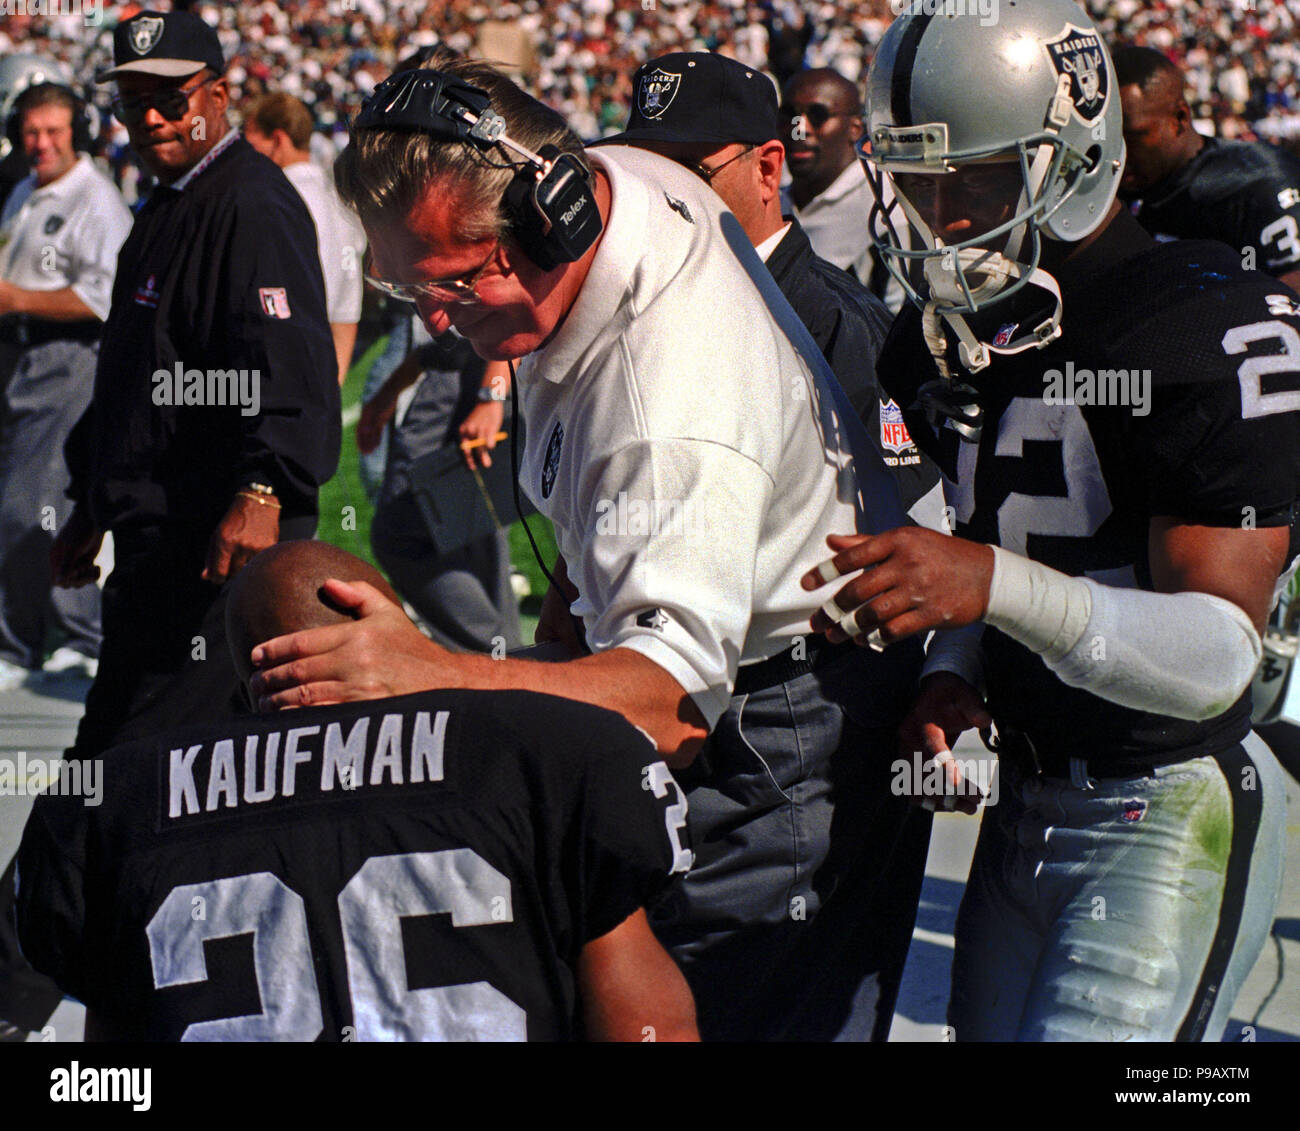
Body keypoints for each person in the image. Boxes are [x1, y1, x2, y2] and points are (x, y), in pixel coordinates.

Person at [255, 54, 927, 1041]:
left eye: (455, 283)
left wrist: (429, 675)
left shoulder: (670, 407)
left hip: (770, 730)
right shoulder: (603, 178)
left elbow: (663, 702)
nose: (438, 320)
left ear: (554, 216)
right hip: (756, 664)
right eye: (412, 292)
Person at [810, 0, 1296, 1041]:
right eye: (915, 181)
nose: (939, 216)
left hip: (1165, 803)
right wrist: (956, 668)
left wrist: (988, 589)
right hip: (1021, 805)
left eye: (972, 179)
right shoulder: (947, 335)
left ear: (1072, 155)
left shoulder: (1203, 317)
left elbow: (1220, 655)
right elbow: (1007, 548)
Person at [14, 541, 698, 1042]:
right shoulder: (549, 753)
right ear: (392, 624)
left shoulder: (116, 803)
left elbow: (112, 1055)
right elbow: (645, 1018)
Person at [50, 9, 340, 761]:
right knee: (157, 778)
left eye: (171, 99)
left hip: (213, 547)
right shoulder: (170, 200)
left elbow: (286, 364)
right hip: (158, 542)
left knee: (128, 779)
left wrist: (264, 490)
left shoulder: (250, 202)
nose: (150, 117)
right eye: (133, 100)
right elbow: (134, 374)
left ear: (219, 94)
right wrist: (93, 498)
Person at [597, 51, 940, 526]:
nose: (660, 191)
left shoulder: (842, 326)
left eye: (690, 171)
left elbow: (904, 529)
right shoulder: (650, 299)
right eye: (644, 171)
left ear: (765, 170)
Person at [0, 83, 131, 690]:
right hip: (22, 355)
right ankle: (34, 636)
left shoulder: (95, 200)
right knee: (23, 500)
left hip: (70, 357)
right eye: (31, 131)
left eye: (53, 131)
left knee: (37, 504)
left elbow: (103, 299)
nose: (41, 143)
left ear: (74, 131)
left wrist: (15, 299)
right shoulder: (27, 191)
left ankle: (70, 639)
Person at [357, 321, 522, 652]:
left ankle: (495, 658)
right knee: (476, 536)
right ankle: (508, 662)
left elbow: (505, 313)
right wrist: (391, 388)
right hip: (463, 368)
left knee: (400, 533)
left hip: (468, 378)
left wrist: (491, 395)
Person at [1115, 45, 1300, 294]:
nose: (1119, 151)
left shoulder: (1256, 183)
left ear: (1179, 118)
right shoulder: (1110, 184)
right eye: (1108, 137)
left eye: (1133, 136)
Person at [243, 92, 367, 386]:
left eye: (250, 142)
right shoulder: (340, 201)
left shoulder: (269, 198)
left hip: (270, 373)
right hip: (315, 374)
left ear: (277, 140)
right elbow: (346, 315)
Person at [779, 67, 905, 313]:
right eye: (789, 115)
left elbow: (896, 320)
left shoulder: (886, 205)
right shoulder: (770, 196)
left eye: (818, 115)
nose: (799, 129)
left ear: (855, 129)